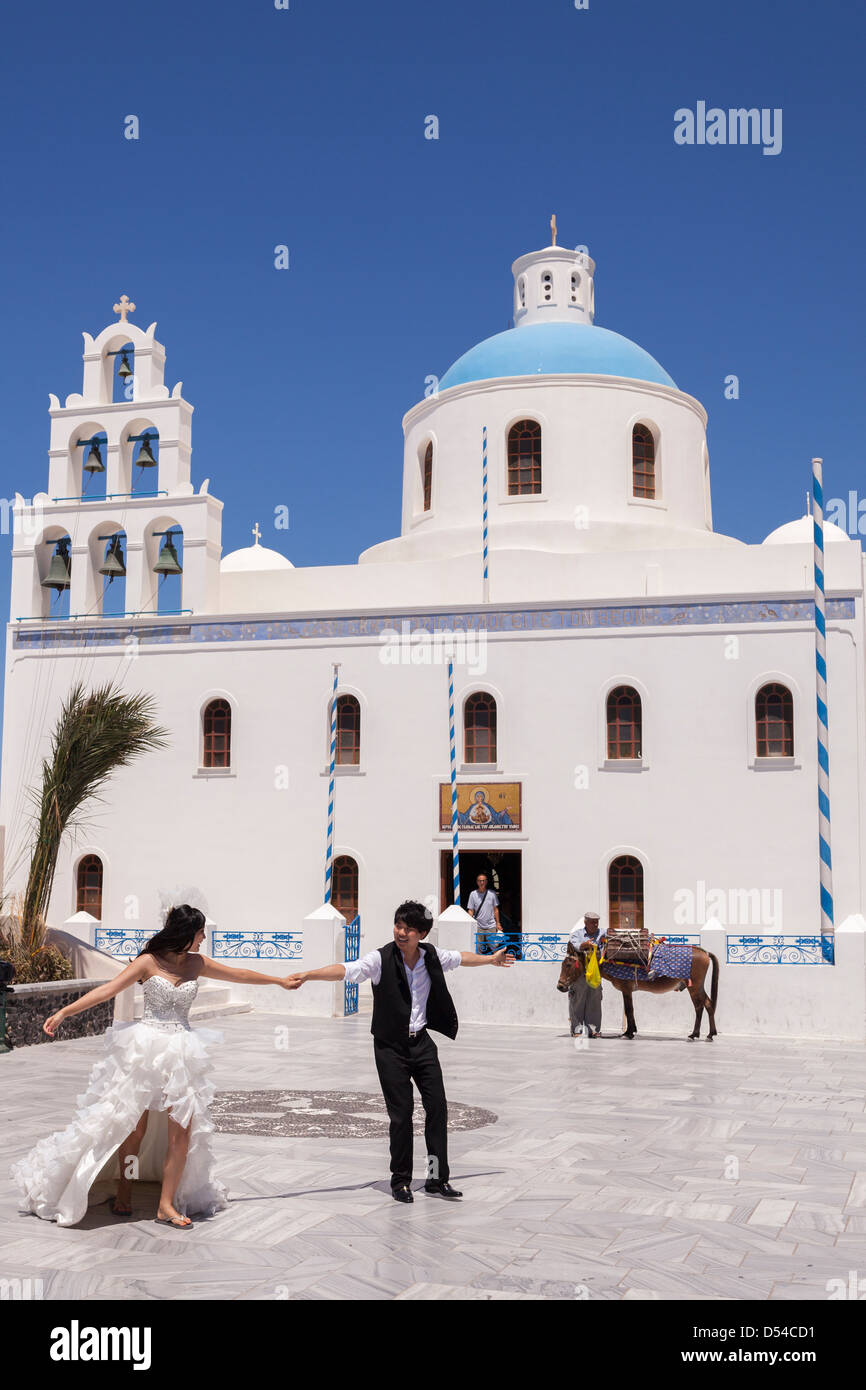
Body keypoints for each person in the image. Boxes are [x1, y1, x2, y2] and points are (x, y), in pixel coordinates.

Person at [11, 904, 297, 1229]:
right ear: (187, 933)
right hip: (145, 1048)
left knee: (183, 1132)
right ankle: (124, 1187)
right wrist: (65, 1012)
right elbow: (109, 989)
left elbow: (239, 974)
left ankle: (166, 1204)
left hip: (183, 1052)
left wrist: (278, 981)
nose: (204, 937)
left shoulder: (196, 963)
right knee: (135, 1128)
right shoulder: (148, 961)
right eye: (201, 932)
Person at [287, 899, 515, 1203]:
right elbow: (347, 969)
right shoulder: (380, 959)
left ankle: (436, 1180)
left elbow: (461, 957)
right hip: (390, 1047)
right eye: (398, 926)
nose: (401, 932)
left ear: (421, 933)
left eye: (408, 928)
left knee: (437, 1109)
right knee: (402, 1115)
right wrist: (309, 974)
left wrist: (491, 960)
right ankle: (401, 1180)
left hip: (421, 1044)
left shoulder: (430, 955)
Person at [566, 911, 605, 1039]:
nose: (595, 924)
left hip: (595, 973)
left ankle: (593, 1030)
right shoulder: (577, 934)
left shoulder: (602, 933)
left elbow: (611, 939)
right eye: (592, 922)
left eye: (597, 922)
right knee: (577, 1001)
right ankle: (577, 1030)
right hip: (580, 974)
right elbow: (576, 946)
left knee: (594, 1001)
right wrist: (585, 945)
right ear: (585, 922)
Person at [466, 872, 501, 954]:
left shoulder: (492, 894)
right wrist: (469, 922)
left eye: (483, 880)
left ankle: (497, 964)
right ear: (477, 882)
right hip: (478, 926)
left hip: (491, 925)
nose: (481, 882)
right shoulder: (473, 894)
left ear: (486, 882)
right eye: (479, 881)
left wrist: (498, 923)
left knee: (494, 948)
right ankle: (479, 965)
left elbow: (495, 909)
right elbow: (470, 910)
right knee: (478, 949)